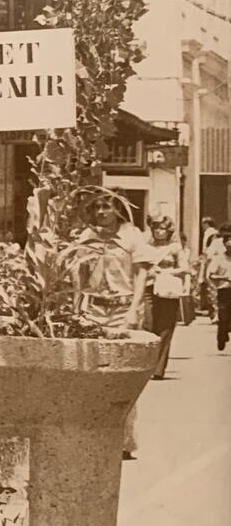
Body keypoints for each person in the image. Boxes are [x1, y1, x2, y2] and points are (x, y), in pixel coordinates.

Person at [72, 194, 142, 459]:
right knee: (91, 374)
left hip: (122, 309)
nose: (101, 212)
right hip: (94, 310)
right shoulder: (87, 236)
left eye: (106, 207)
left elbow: (142, 273)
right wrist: (76, 309)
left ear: (118, 210)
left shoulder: (131, 236)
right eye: (96, 207)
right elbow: (79, 274)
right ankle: (93, 436)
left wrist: (134, 309)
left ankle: (123, 440)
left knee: (124, 377)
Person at [135, 217, 190, 380]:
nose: (159, 232)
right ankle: (146, 364)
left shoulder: (174, 248)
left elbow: (185, 268)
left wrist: (166, 272)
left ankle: (158, 369)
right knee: (148, 324)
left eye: (163, 229)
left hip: (167, 289)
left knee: (165, 327)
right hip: (149, 288)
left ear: (169, 231)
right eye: (156, 228)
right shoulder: (146, 247)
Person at [207, 228, 231, 351]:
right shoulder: (219, 258)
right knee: (224, 317)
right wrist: (224, 278)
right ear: (225, 244)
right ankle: (222, 335)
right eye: (228, 242)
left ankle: (226, 329)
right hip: (224, 291)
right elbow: (211, 275)